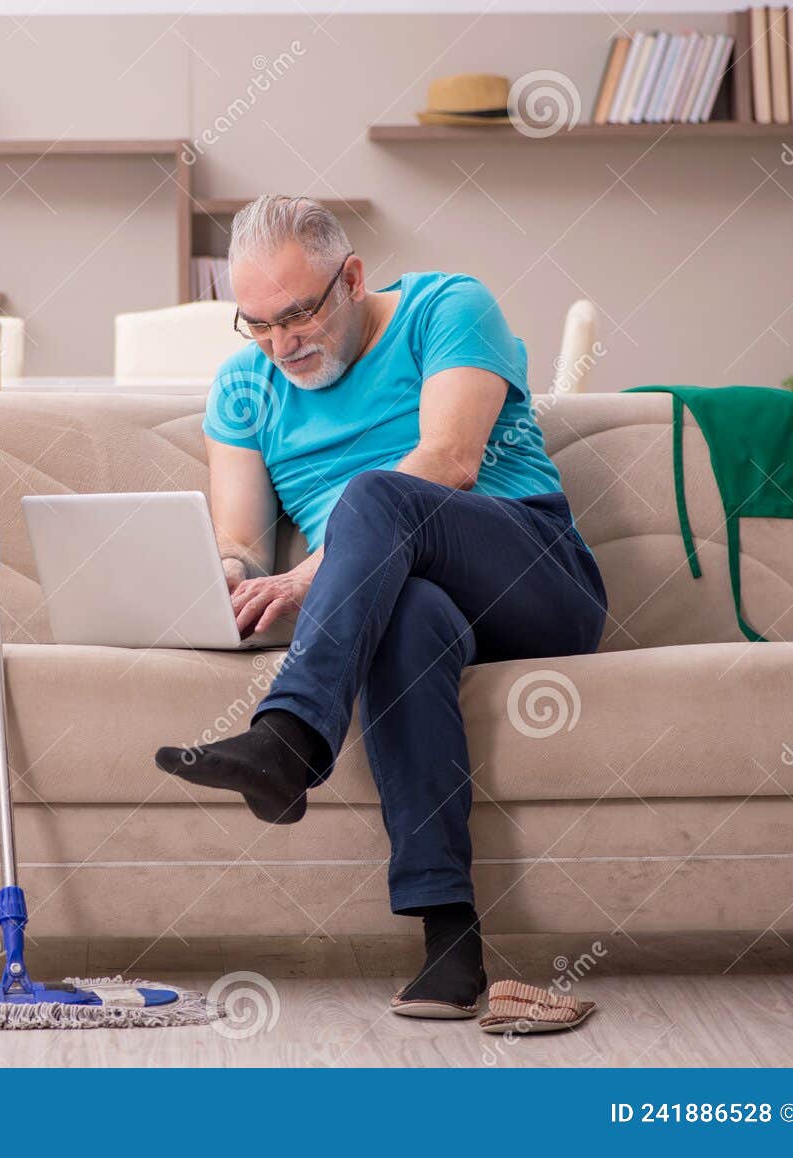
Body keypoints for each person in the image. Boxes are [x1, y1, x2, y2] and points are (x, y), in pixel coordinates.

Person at [154, 195, 609, 1018]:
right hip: (406, 595)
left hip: (531, 572)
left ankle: (288, 736)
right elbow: (244, 542)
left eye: (297, 315)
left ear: (352, 278)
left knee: (377, 494)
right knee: (405, 621)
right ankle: (450, 945)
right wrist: (223, 576)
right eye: (255, 324)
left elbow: (450, 459)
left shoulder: (448, 307)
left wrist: (307, 582)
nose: (280, 345)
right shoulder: (245, 388)